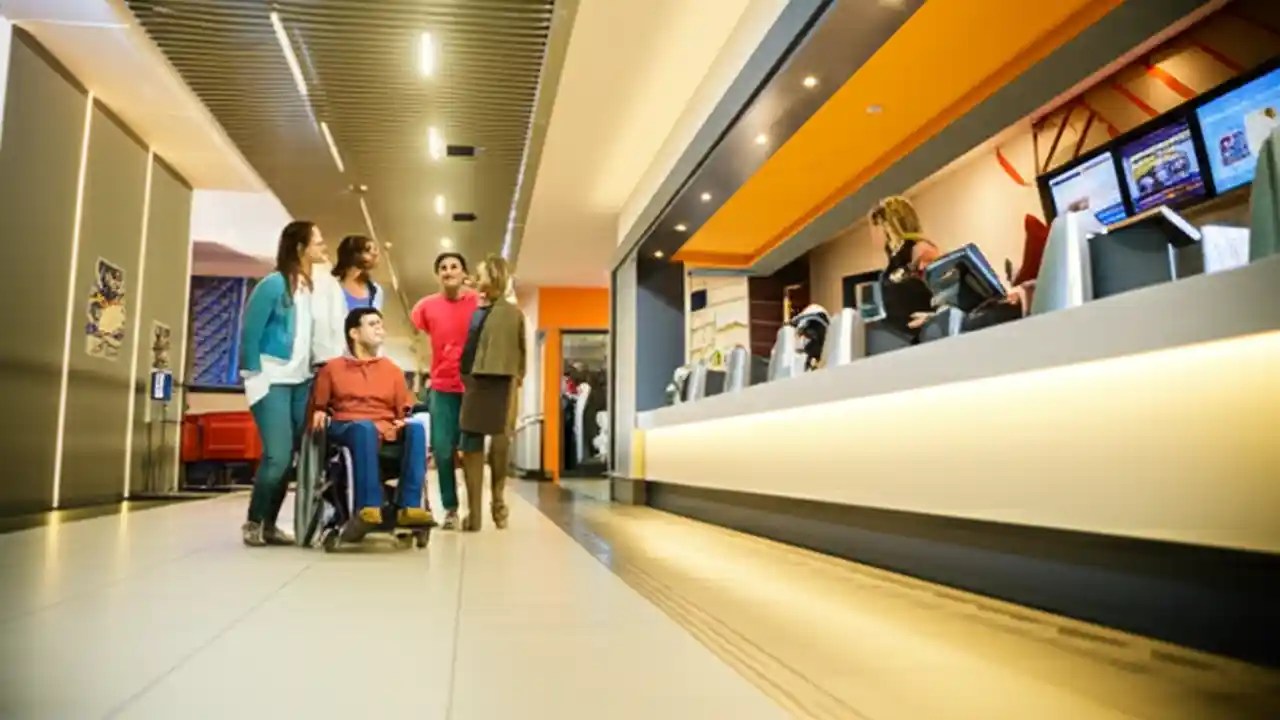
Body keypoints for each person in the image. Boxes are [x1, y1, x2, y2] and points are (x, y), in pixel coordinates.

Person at [239, 220, 327, 547]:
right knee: (276, 456)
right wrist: (253, 375)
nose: (323, 246)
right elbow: (250, 331)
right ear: (301, 248)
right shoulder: (273, 285)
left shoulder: (308, 288)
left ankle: (270, 525)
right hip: (271, 379)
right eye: (318, 242)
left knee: (290, 456)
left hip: (300, 381)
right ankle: (253, 521)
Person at [309, 308, 432, 538]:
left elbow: (403, 411)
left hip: (385, 429)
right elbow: (320, 406)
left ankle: (409, 507)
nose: (379, 329)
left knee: (416, 428)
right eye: (372, 324)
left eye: (381, 324)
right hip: (348, 427)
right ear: (354, 333)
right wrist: (318, 412)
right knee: (364, 427)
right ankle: (368, 507)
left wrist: (400, 423)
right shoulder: (332, 369)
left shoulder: (393, 371)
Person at [410, 252, 478, 529]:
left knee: (471, 449)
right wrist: (424, 371)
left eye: (454, 267)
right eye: (443, 268)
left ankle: (475, 509)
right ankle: (450, 507)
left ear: (464, 273)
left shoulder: (478, 301)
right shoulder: (424, 307)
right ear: (437, 274)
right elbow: (419, 341)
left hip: (473, 386)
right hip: (441, 386)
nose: (448, 271)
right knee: (442, 449)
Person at [458, 255, 525, 531]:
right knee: (472, 442)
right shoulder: (478, 308)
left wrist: (515, 379)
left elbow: (519, 352)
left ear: (495, 276)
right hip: (476, 381)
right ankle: (475, 513)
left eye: (482, 274)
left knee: (499, 444)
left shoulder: (509, 312)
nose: (477, 278)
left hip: (500, 380)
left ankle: (497, 503)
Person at [869, 196, 940, 338]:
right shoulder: (894, 260)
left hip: (922, 336)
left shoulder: (920, 250)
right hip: (899, 338)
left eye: (877, 226)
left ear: (889, 225)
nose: (872, 233)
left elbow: (946, 292)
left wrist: (934, 317)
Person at [313, 234, 383, 365]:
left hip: (363, 360)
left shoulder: (375, 291)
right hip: (332, 358)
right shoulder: (328, 287)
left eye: (375, 250)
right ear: (353, 254)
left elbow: (375, 326)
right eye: (368, 250)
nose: (374, 254)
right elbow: (321, 324)